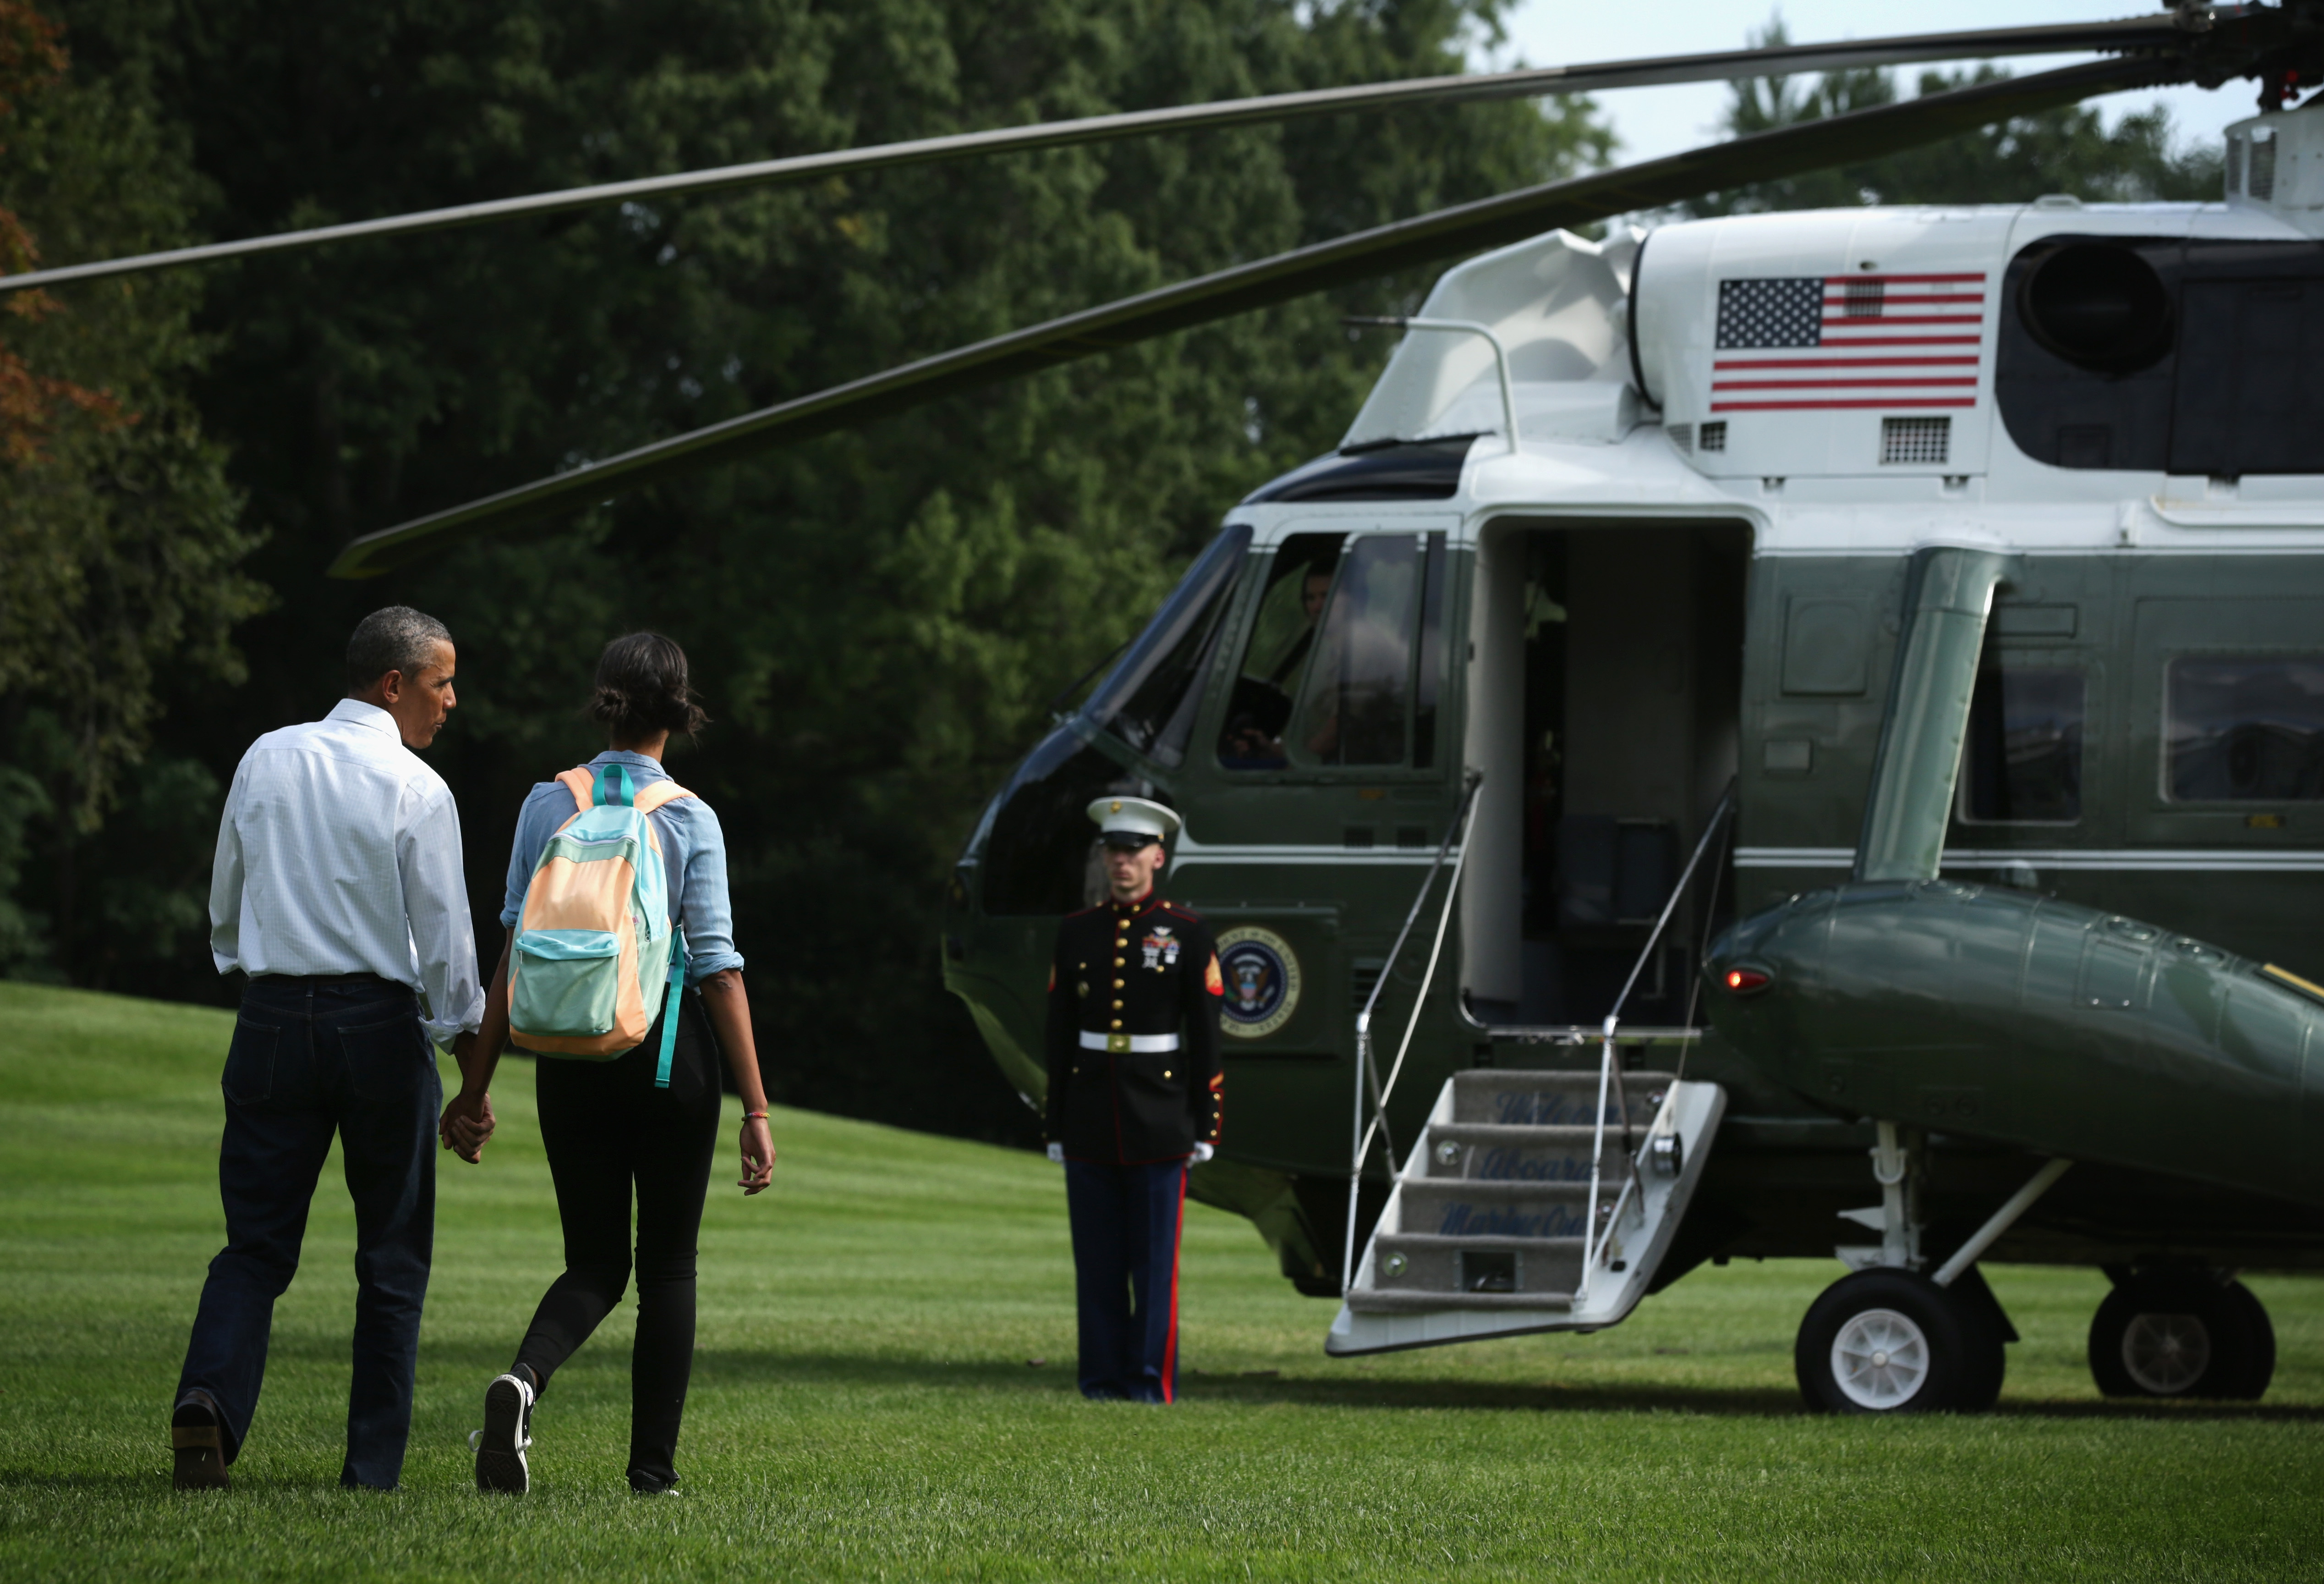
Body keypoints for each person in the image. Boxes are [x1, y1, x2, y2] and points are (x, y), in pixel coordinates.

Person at [443, 631, 774, 1496]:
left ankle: (523, 1382)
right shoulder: (690, 816)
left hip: (568, 1057)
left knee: (594, 1260)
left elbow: (512, 956)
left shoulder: (546, 804)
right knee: (667, 1267)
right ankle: (651, 1473)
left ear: (603, 701)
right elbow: (720, 969)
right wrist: (758, 1109)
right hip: (668, 1057)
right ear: (681, 710)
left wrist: (473, 1091)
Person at [173, 606, 485, 1493]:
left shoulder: (266, 756)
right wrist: (471, 1074)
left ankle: (207, 1404)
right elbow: (449, 953)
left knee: (255, 1248)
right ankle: (371, 1471)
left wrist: (262, 967)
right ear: (395, 685)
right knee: (390, 1259)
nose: (451, 701)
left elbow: (226, 908)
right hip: (378, 1030)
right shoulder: (418, 789)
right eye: (441, 682)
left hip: (270, 1019)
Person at [1042, 796, 1223, 1403]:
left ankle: (1149, 1384)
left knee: (1153, 1268)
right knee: (1096, 1266)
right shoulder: (1076, 932)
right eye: (1113, 851)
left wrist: (1206, 1123)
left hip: (1161, 1117)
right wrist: (1056, 1122)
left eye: (1133, 851)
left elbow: (1206, 1036)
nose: (1122, 862)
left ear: (1158, 857)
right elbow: (1059, 1032)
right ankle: (1100, 1383)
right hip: (1092, 1113)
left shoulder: (1190, 933)